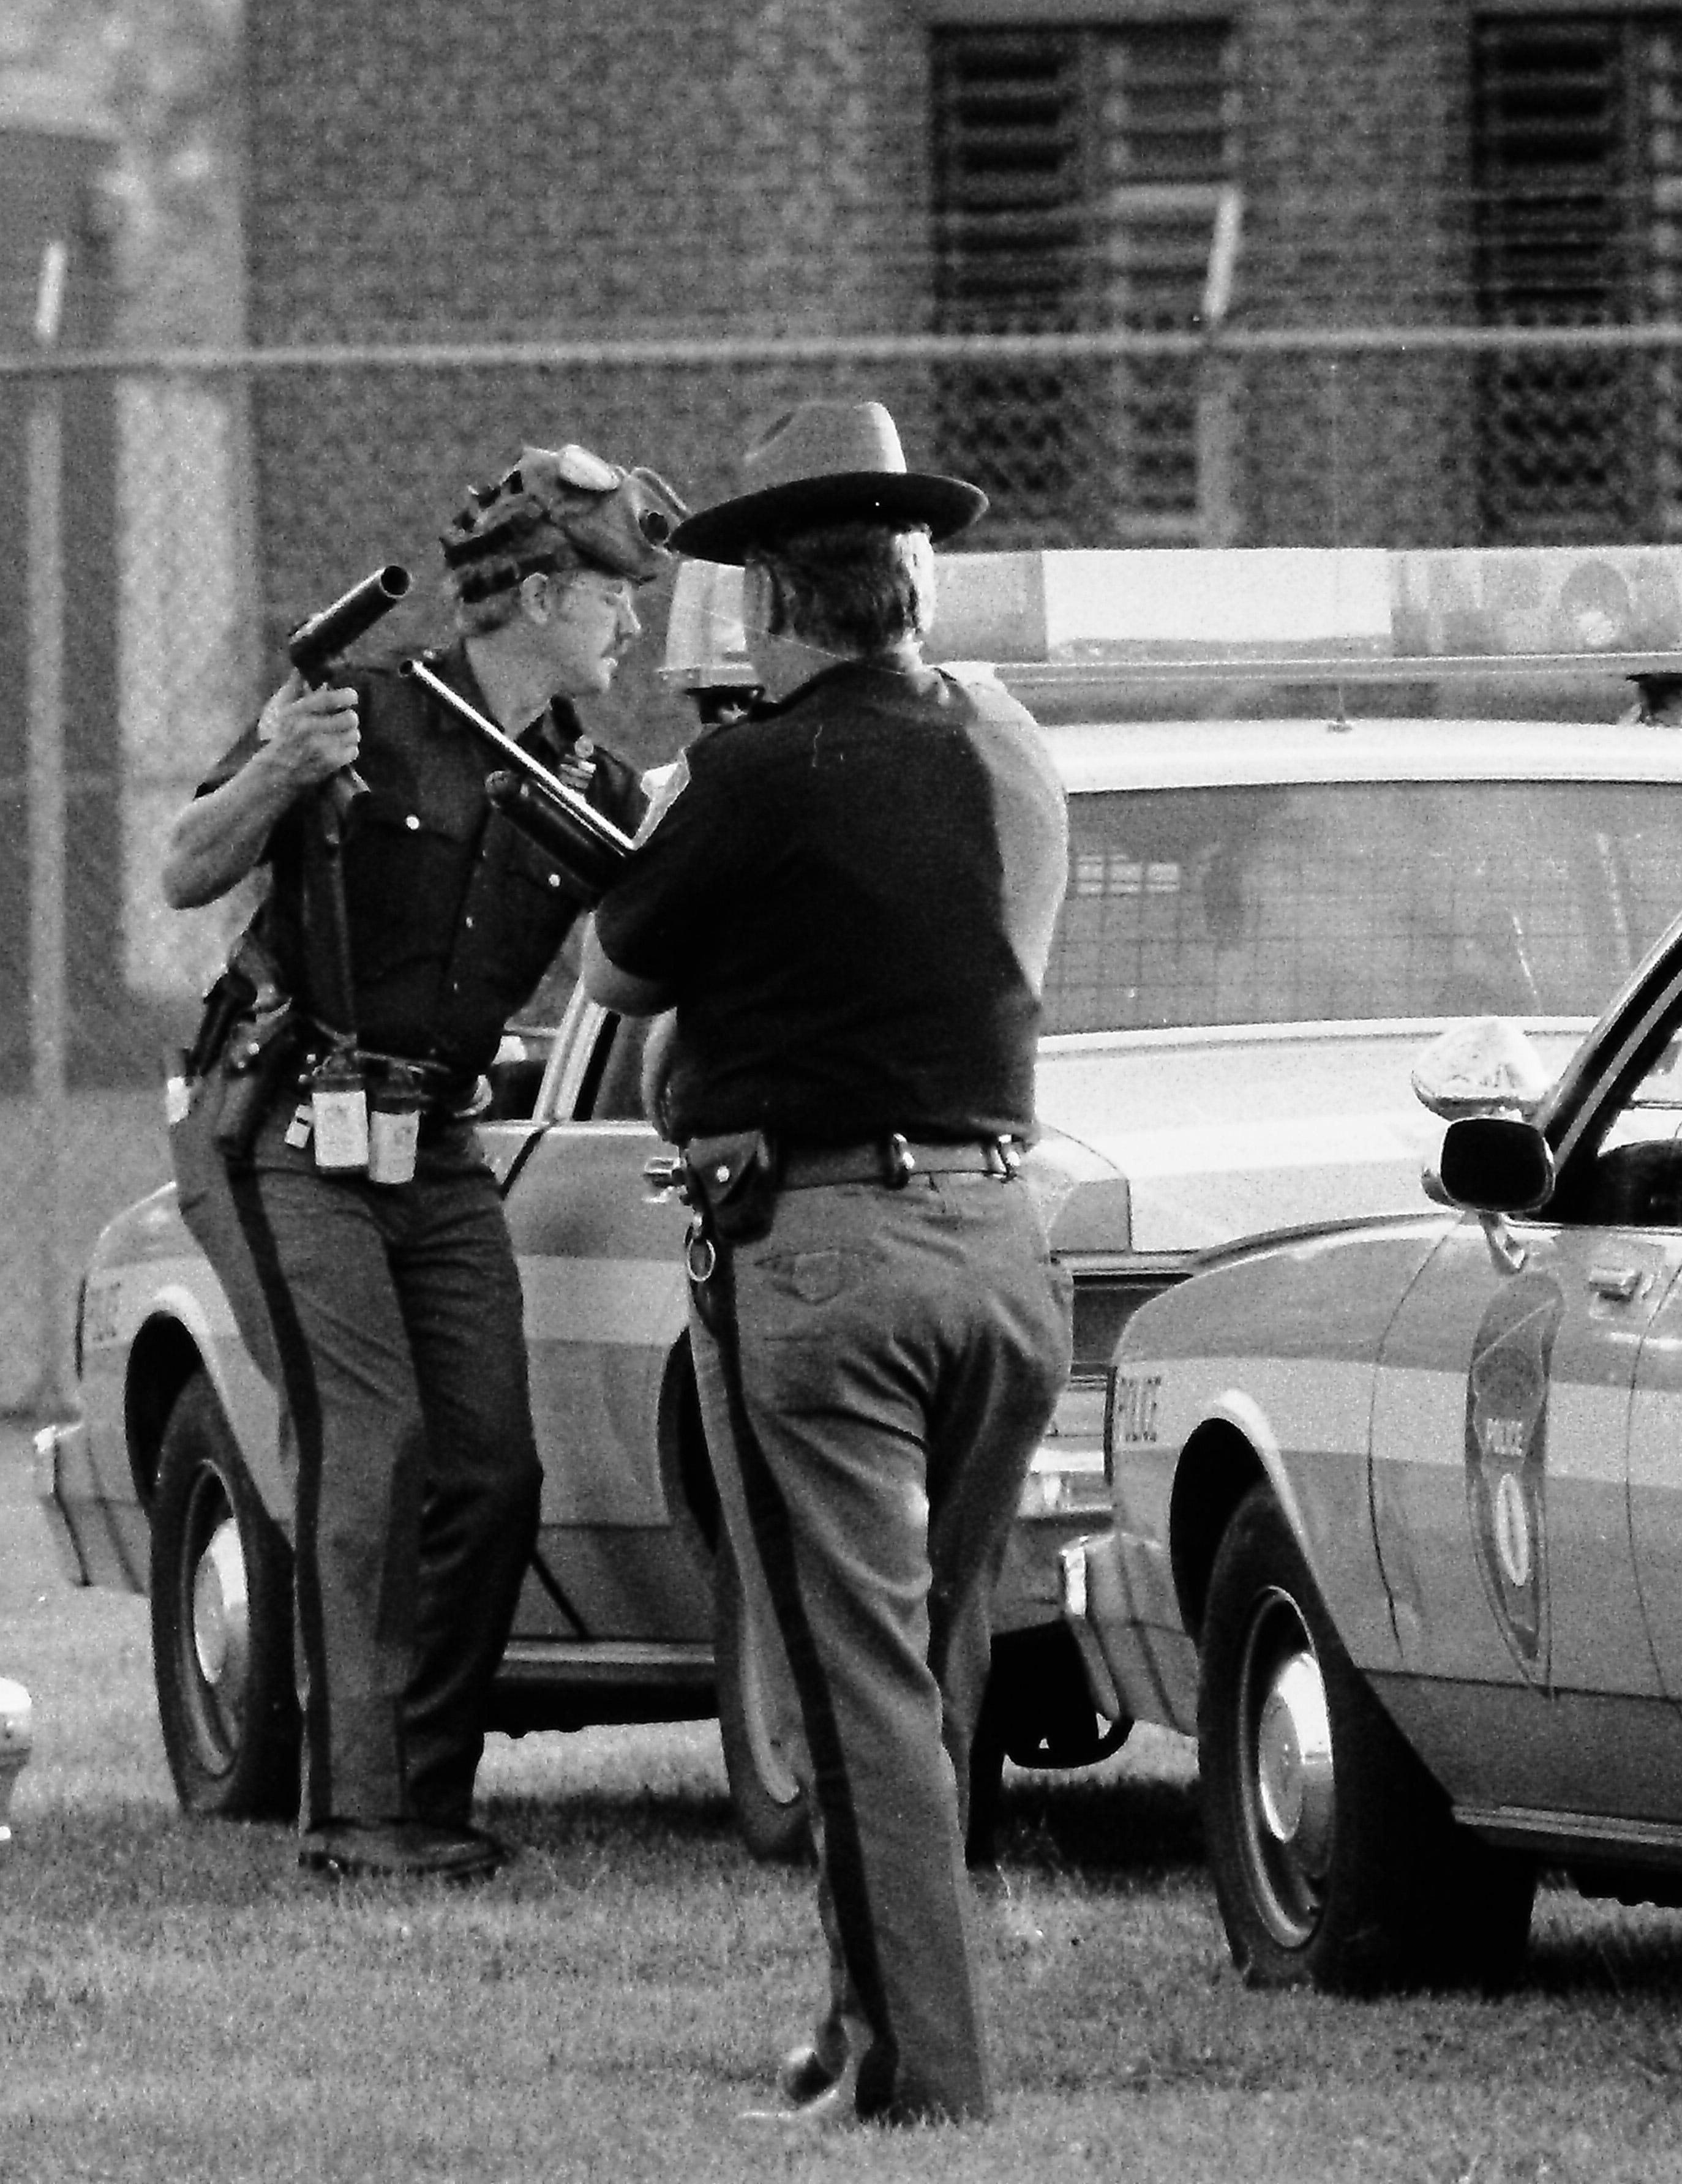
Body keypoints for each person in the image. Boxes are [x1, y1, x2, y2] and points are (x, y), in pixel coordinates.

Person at [574, 400, 1071, 2126]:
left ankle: (920, 2077)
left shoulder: (749, 773)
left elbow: (620, 979)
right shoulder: (1004, 750)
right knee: (926, 1671)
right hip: (1006, 1247)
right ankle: (865, 2021)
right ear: (911, 593)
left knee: (852, 1682)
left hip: (831, 1258)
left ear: (786, 605)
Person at [162, 441, 683, 1883]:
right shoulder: (360, 710)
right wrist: (282, 765)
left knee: (493, 1467)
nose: (629, 624)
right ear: (526, 595)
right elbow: (186, 867)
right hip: (285, 1126)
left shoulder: (591, 782)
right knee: (370, 1440)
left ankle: (428, 1796)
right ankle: (361, 1810)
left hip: (437, 1139)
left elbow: (659, 938)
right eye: (608, 596)